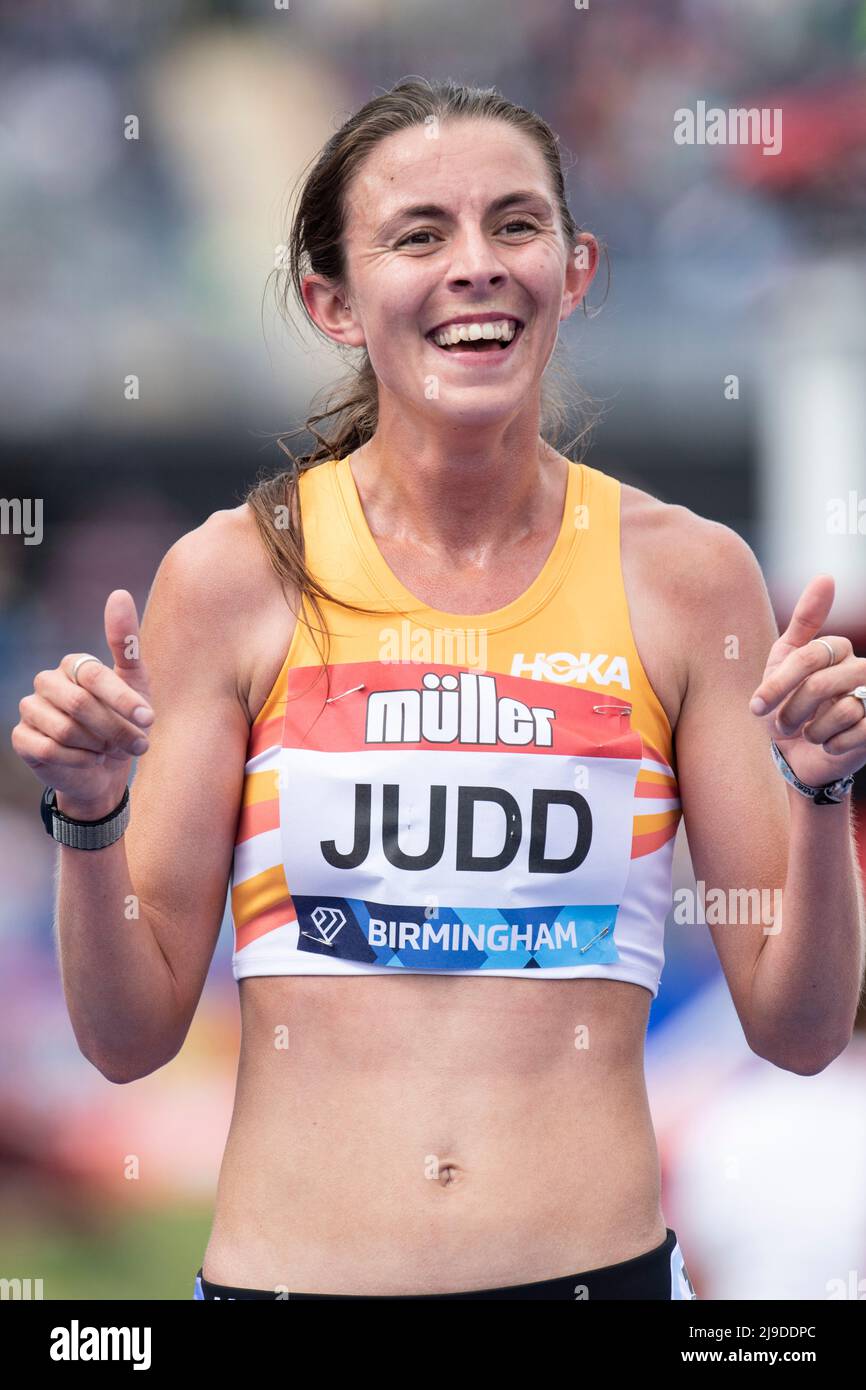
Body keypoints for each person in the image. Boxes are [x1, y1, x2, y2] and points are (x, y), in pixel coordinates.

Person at [12, 78, 866, 1301]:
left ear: (572, 273)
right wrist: (88, 813)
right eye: (419, 234)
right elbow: (125, 1038)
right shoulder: (233, 577)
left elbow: (799, 1032)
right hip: (287, 1282)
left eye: (514, 226)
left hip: (594, 1281)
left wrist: (821, 791)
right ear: (331, 301)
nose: (475, 265)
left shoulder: (686, 579)